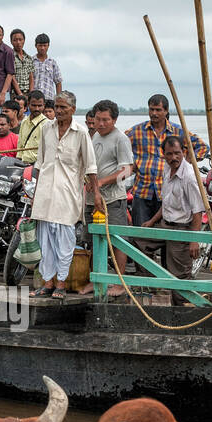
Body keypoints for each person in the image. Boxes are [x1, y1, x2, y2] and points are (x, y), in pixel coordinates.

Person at [29, 91, 98, 299]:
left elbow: (91, 166)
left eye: (63, 108)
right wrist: (34, 192)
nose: (58, 111)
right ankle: (47, 283)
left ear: (73, 110)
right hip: (45, 194)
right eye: (56, 107)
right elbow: (40, 163)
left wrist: (97, 195)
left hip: (68, 195)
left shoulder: (81, 133)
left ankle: (61, 283)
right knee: (45, 240)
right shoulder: (46, 129)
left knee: (65, 242)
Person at [126, 94, 203, 260]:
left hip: (167, 192)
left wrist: (185, 164)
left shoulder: (178, 131)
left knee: (168, 239)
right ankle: (145, 279)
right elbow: (120, 144)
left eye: (158, 110)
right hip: (143, 190)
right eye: (151, 109)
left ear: (166, 111)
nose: (154, 113)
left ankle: (167, 274)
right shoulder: (136, 131)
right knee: (142, 237)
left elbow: (202, 147)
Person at [144, 135, 205, 303]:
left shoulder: (190, 177)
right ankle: (153, 287)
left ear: (184, 152)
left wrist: (194, 240)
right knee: (139, 243)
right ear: (163, 154)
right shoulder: (167, 169)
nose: (174, 158)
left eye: (177, 153)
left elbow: (198, 211)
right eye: (169, 154)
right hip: (165, 224)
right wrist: (151, 222)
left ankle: (183, 309)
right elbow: (167, 203)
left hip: (182, 229)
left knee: (179, 276)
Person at [90, 100, 133, 297]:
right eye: (98, 119)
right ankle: (96, 278)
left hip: (113, 198)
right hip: (93, 197)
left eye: (105, 120)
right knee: (93, 239)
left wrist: (102, 182)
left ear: (114, 120)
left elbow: (127, 170)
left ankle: (119, 282)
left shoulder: (120, 139)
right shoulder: (95, 136)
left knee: (117, 241)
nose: (101, 124)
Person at [16, 91, 48, 164]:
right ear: (28, 105)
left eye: (40, 106)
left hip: (37, 165)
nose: (37, 108)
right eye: (33, 105)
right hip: (22, 164)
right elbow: (20, 146)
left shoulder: (47, 125)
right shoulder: (24, 122)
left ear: (44, 105)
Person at [9, 29, 33, 102]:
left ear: (24, 40)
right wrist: (20, 94)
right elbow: (11, 76)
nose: (18, 42)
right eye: (15, 40)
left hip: (28, 93)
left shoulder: (28, 58)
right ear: (11, 42)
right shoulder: (10, 56)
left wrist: (31, 94)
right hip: (14, 93)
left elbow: (31, 76)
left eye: (20, 39)